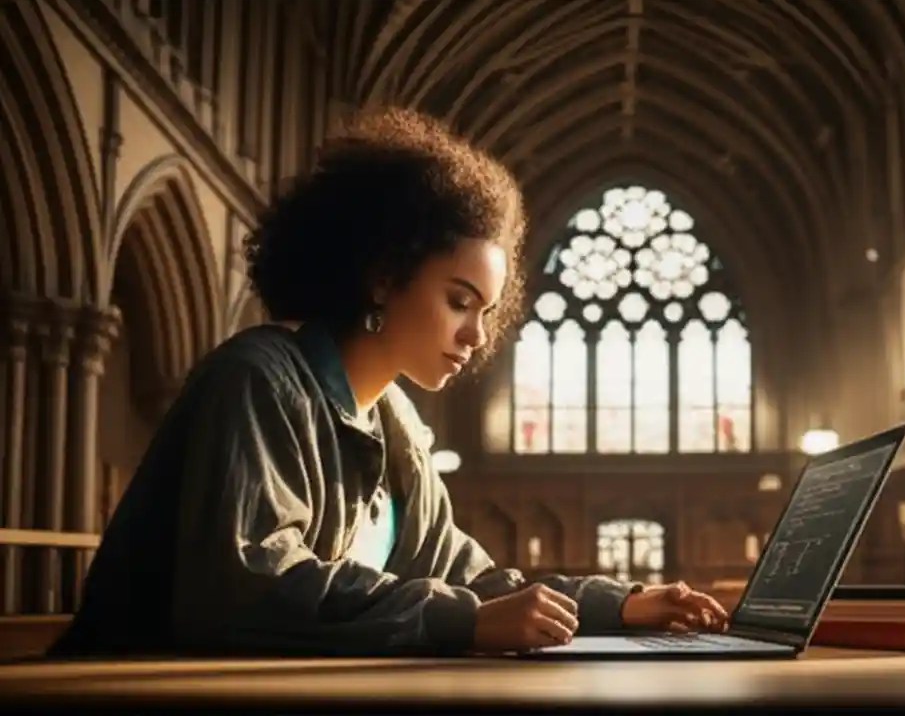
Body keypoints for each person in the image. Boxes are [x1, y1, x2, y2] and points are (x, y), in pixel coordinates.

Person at [51, 107, 728, 657]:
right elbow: (248, 588)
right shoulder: (258, 378)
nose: (477, 336)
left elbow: (475, 581)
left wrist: (625, 605)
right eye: (460, 301)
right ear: (383, 274)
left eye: (488, 313)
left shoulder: (395, 422)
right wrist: (462, 622)